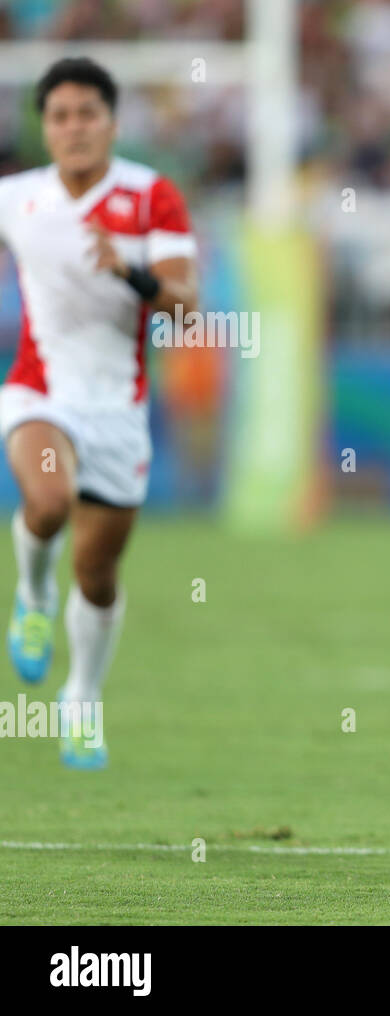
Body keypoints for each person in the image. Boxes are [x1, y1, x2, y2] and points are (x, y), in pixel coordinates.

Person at [0, 58, 199, 769]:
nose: (74, 127)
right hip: (37, 395)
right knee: (48, 501)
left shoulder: (151, 197)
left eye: (87, 113)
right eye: (59, 116)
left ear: (111, 123)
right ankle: (29, 594)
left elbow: (187, 303)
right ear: (44, 128)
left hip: (118, 409)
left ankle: (80, 696)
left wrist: (130, 271)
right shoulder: (17, 198)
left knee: (98, 574)